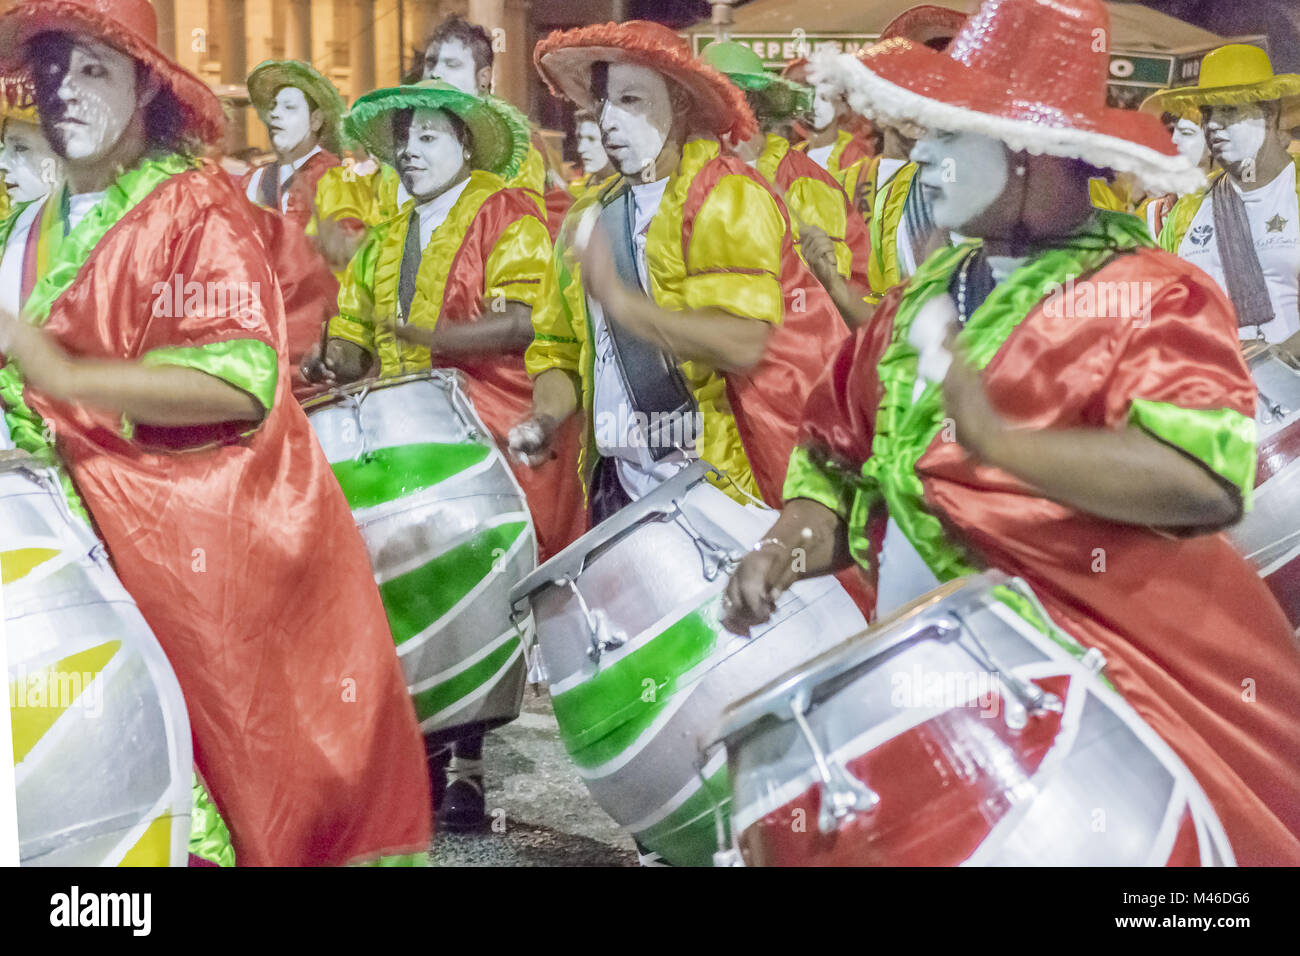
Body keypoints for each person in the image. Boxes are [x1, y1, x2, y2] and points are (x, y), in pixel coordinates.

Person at [723, 0, 1300, 865]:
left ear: (1025, 153)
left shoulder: (1153, 293)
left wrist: (999, 438)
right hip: (936, 709)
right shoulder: (919, 300)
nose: (922, 156)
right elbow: (837, 464)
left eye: (950, 136)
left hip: (1108, 710)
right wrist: (785, 548)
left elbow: (1202, 481)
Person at [0, 0, 431, 866]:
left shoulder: (198, 210)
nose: (63, 93)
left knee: (209, 796)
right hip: (57, 543)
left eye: (92, 70)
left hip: (186, 548)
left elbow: (235, 383)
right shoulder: (27, 226)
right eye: (50, 70)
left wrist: (63, 378)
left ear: (146, 87)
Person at [307, 78, 585, 831]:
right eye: (405, 136)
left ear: (465, 146)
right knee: (406, 597)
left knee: (472, 602)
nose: (410, 148)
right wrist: (327, 357)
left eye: (429, 135)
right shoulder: (384, 236)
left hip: (482, 437)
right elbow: (355, 343)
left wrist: (435, 345)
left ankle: (465, 768)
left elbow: (528, 319)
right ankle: (422, 761)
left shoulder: (507, 214)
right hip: (400, 450)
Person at [512, 20, 849, 522]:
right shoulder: (585, 219)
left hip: (721, 494)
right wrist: (544, 418)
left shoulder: (728, 195)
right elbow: (558, 350)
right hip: (616, 490)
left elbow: (742, 342)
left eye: (631, 100)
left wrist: (624, 303)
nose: (608, 122)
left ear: (682, 104)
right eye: (602, 102)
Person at [700, 39, 871, 325]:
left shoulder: (807, 183)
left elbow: (838, 296)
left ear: (750, 104)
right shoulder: (687, 174)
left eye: (713, 99)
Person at [1147, 44, 1300, 345]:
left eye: (1229, 111)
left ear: (1268, 113)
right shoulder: (1188, 209)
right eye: (1208, 113)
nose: (1214, 125)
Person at [242, 59, 349, 400]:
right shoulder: (254, 179)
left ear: (317, 120)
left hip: (313, 355)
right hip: (259, 343)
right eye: (273, 107)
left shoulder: (338, 180)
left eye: (289, 107)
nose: (275, 116)